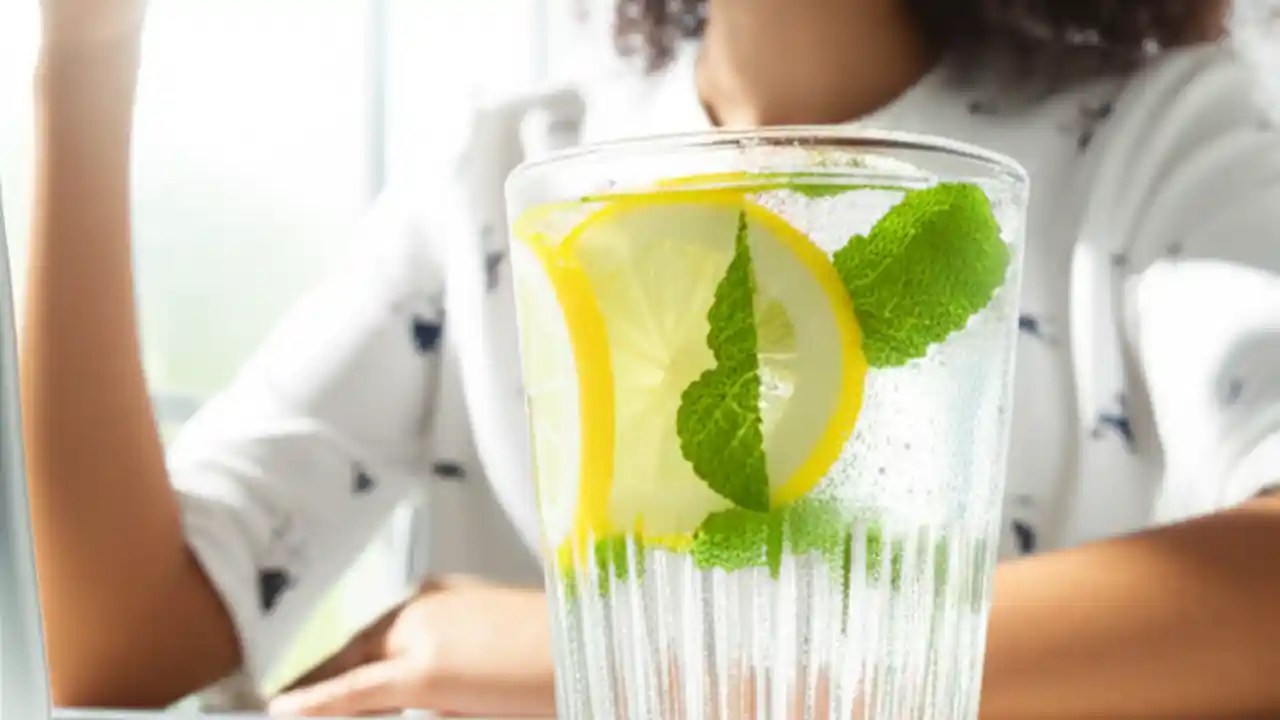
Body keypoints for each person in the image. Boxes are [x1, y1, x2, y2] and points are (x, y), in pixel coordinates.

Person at [23, 0, 1280, 716]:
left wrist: (583, 661)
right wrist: (78, 53)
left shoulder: (1150, 138)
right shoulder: (506, 181)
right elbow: (127, 647)